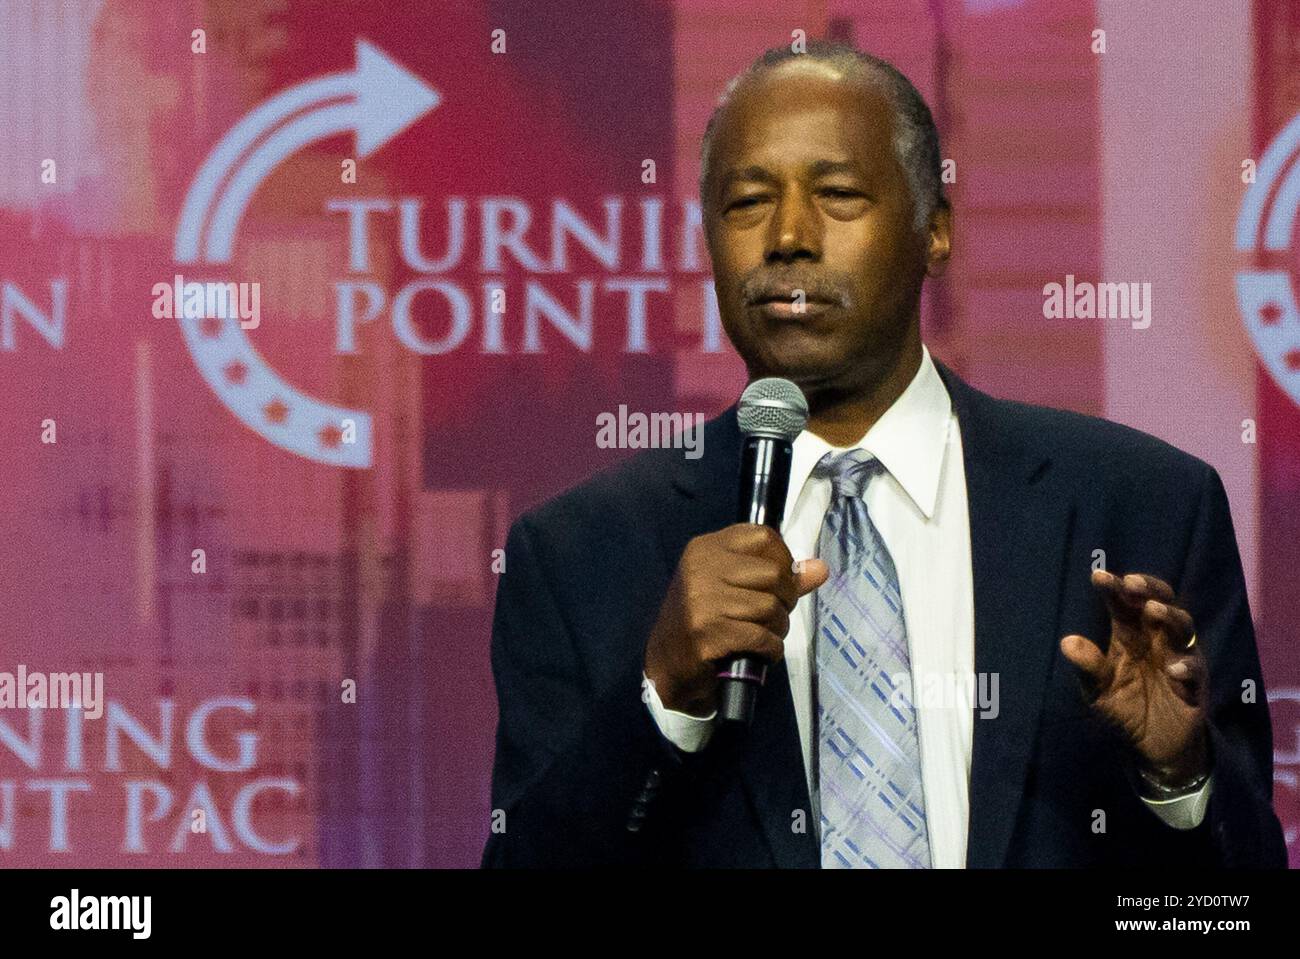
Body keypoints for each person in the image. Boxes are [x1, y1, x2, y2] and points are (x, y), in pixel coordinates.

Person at [481, 41, 1287, 868]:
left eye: (836, 195)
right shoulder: (580, 554)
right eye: (747, 203)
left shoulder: (1143, 505)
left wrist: (1176, 779)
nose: (788, 237)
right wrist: (662, 704)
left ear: (933, 230)